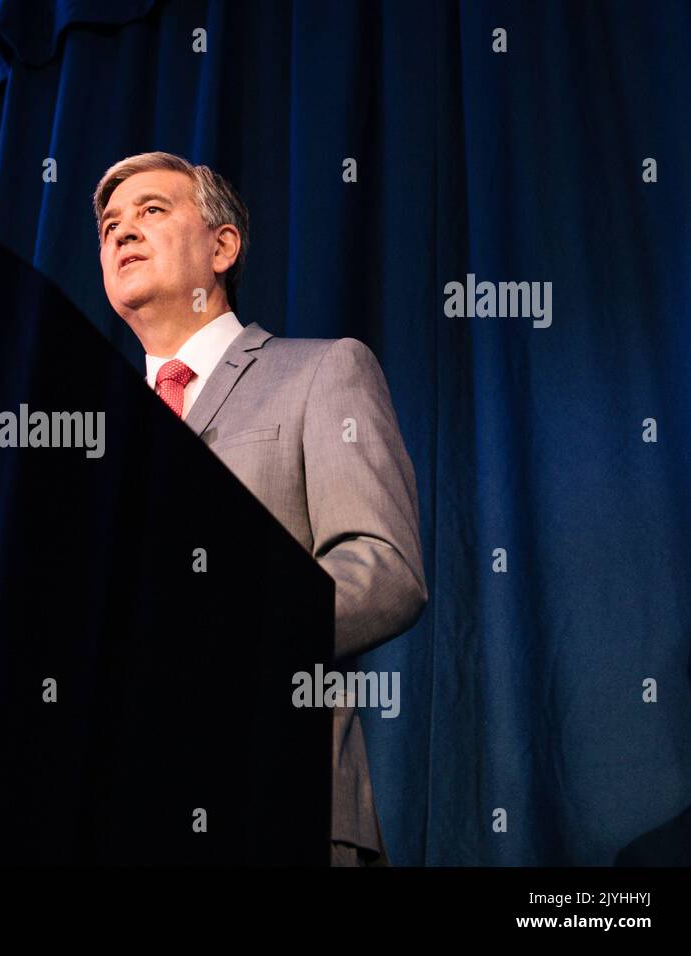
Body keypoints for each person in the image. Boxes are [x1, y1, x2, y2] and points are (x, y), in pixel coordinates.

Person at [94, 151, 428, 866]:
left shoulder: (321, 370)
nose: (122, 233)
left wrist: (222, 630)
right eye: (110, 225)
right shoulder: (99, 437)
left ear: (222, 246)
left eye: (152, 211)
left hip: (278, 804)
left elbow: (384, 567)